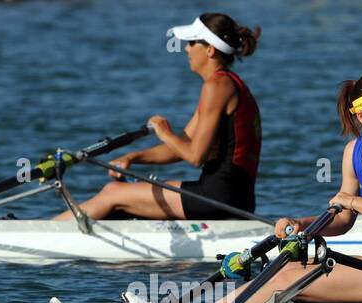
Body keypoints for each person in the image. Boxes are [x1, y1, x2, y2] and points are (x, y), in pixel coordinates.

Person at [236, 72, 362, 303]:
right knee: (283, 270)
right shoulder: (353, 152)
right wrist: (300, 224)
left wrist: (353, 201)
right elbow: (343, 220)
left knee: (286, 283)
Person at [54, 13, 261, 222]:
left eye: (191, 43)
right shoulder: (229, 84)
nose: (186, 49)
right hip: (235, 197)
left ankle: (42, 233)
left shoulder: (216, 87)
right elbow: (183, 146)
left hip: (220, 198)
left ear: (210, 49)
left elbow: (195, 156)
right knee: (134, 192)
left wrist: (164, 133)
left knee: (112, 192)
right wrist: (133, 157)